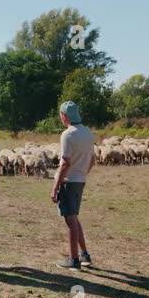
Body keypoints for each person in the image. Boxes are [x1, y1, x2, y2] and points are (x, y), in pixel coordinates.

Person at [51, 101, 95, 271]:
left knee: (70, 220)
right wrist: (83, 173)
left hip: (68, 181)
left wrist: (55, 186)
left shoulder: (67, 135)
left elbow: (65, 163)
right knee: (74, 218)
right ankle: (84, 254)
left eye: (60, 115)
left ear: (65, 116)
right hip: (80, 180)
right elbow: (92, 159)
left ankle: (74, 259)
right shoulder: (87, 133)